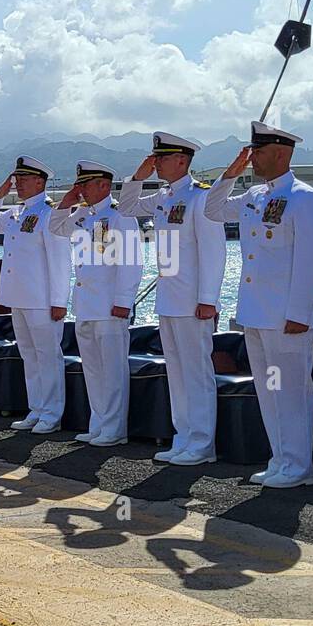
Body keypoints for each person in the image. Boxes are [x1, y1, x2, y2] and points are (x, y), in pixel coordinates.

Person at [204, 121, 313, 488]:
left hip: (285, 317)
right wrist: (229, 174)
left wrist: (299, 313)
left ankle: (299, 466)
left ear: (281, 153)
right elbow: (212, 210)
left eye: (258, 151)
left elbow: (310, 261)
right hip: (256, 314)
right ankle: (280, 459)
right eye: (252, 151)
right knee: (269, 390)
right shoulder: (253, 196)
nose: (252, 157)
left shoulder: (304, 198)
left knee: (290, 392)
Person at [117, 132, 226, 465]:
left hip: (194, 303)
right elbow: (126, 207)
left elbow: (214, 253)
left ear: (182, 160)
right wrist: (138, 176)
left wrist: (208, 299)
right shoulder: (164, 197)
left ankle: (202, 443)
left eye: (161, 158)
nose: (157, 163)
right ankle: (183, 437)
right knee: (177, 374)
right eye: (156, 158)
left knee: (196, 374)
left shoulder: (201, 199)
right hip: (169, 300)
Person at [50, 161, 144, 446]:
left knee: (112, 370)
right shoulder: (83, 216)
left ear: (104, 185)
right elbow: (55, 228)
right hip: (86, 304)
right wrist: (66, 203)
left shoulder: (120, 216)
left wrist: (123, 301)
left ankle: (114, 429)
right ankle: (98, 423)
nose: (81, 190)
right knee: (93, 369)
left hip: (108, 306)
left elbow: (131, 261)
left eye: (86, 184)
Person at [0, 156, 72, 435]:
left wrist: (59, 301)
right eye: (16, 179)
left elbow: (60, 262)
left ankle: (52, 413)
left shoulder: (49, 215)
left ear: (40, 182)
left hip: (42, 299)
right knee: (29, 356)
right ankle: (37, 409)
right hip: (19, 297)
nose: (17, 183)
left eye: (23, 179)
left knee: (47, 357)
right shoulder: (15, 214)